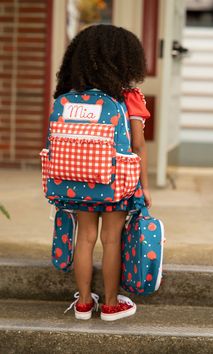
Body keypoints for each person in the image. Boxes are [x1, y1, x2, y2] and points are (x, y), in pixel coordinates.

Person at [55, 24, 151, 321]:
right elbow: (137, 146)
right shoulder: (129, 97)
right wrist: (144, 187)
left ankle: (84, 303)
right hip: (116, 184)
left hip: (77, 182)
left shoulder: (71, 96)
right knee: (112, 240)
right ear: (125, 59)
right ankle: (110, 303)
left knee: (84, 239)